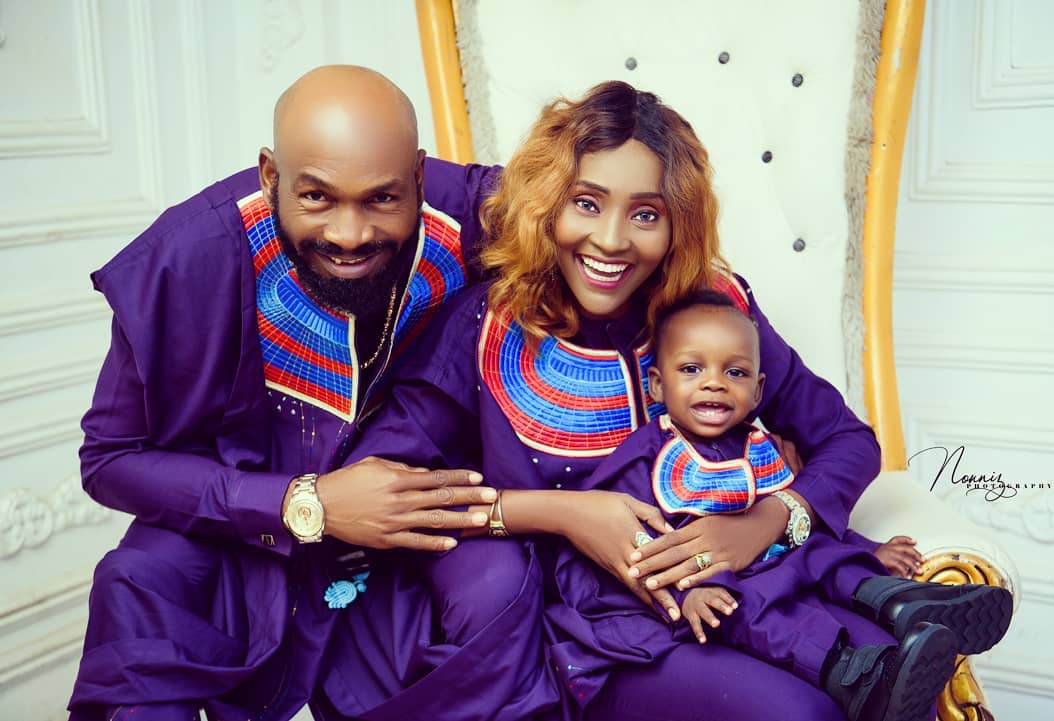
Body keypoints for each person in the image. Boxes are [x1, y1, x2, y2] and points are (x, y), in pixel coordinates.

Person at [345, 79, 920, 721]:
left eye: (645, 214)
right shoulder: (484, 325)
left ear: (679, 222)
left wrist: (767, 521)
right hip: (590, 633)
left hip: (745, 595)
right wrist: (563, 514)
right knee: (800, 713)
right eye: (586, 203)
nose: (612, 240)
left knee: (896, 671)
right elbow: (385, 492)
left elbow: (847, 439)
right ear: (547, 204)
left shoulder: (715, 311)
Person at [68, 65, 555, 721]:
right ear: (271, 176)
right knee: (138, 578)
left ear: (418, 176)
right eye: (318, 198)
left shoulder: (467, 213)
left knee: (497, 581)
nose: (349, 234)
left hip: (398, 520)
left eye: (382, 199)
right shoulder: (186, 262)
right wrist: (305, 503)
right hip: (234, 529)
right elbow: (109, 458)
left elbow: (617, 215)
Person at [565, 288, 1013, 721]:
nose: (714, 384)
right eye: (692, 370)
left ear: (758, 391)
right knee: (752, 611)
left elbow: (798, 516)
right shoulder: (648, 456)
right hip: (717, 584)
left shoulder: (760, 444)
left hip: (776, 560)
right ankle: (848, 672)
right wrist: (689, 594)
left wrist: (866, 548)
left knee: (821, 553)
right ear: (658, 385)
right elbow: (639, 545)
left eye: (735, 373)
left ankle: (897, 601)